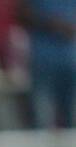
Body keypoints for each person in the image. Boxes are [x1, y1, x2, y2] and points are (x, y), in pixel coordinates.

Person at [18, 0, 76, 129]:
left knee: (73, 120)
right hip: (43, 62)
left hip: (72, 63)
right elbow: (22, 14)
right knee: (41, 120)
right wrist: (52, 23)